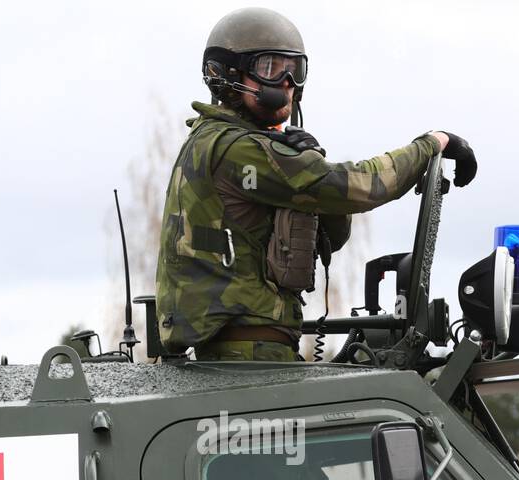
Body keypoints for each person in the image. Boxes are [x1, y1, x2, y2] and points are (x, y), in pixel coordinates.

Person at [156, 7, 478, 362]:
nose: (287, 83)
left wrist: (310, 166)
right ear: (225, 75)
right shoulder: (240, 149)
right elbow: (362, 186)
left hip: (248, 351)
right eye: (270, 68)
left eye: (294, 70)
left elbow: (329, 239)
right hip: (249, 357)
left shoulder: (214, 141)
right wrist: (432, 144)